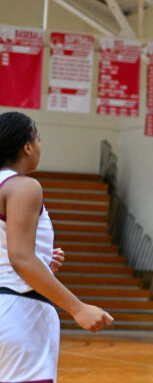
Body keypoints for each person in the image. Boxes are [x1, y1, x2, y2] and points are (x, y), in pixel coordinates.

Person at [0, 112, 113, 382]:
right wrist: (77, 308)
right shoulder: (23, 187)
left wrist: (42, 264)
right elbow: (20, 259)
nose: (39, 146)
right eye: (38, 139)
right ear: (27, 146)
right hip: (18, 311)